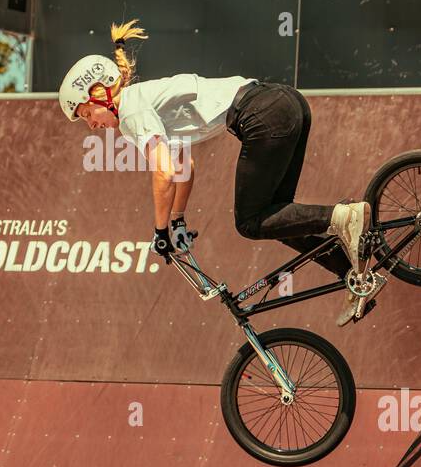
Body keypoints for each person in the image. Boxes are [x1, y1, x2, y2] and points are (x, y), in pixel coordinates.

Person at [58, 18, 383, 326]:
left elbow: (164, 172)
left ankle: (346, 217)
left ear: (100, 94)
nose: (92, 125)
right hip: (285, 104)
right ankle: (353, 276)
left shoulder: (130, 110)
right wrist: (178, 220)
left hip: (262, 115)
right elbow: (184, 166)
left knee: (250, 221)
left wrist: (160, 232)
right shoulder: (141, 101)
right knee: (280, 219)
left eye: (87, 114)